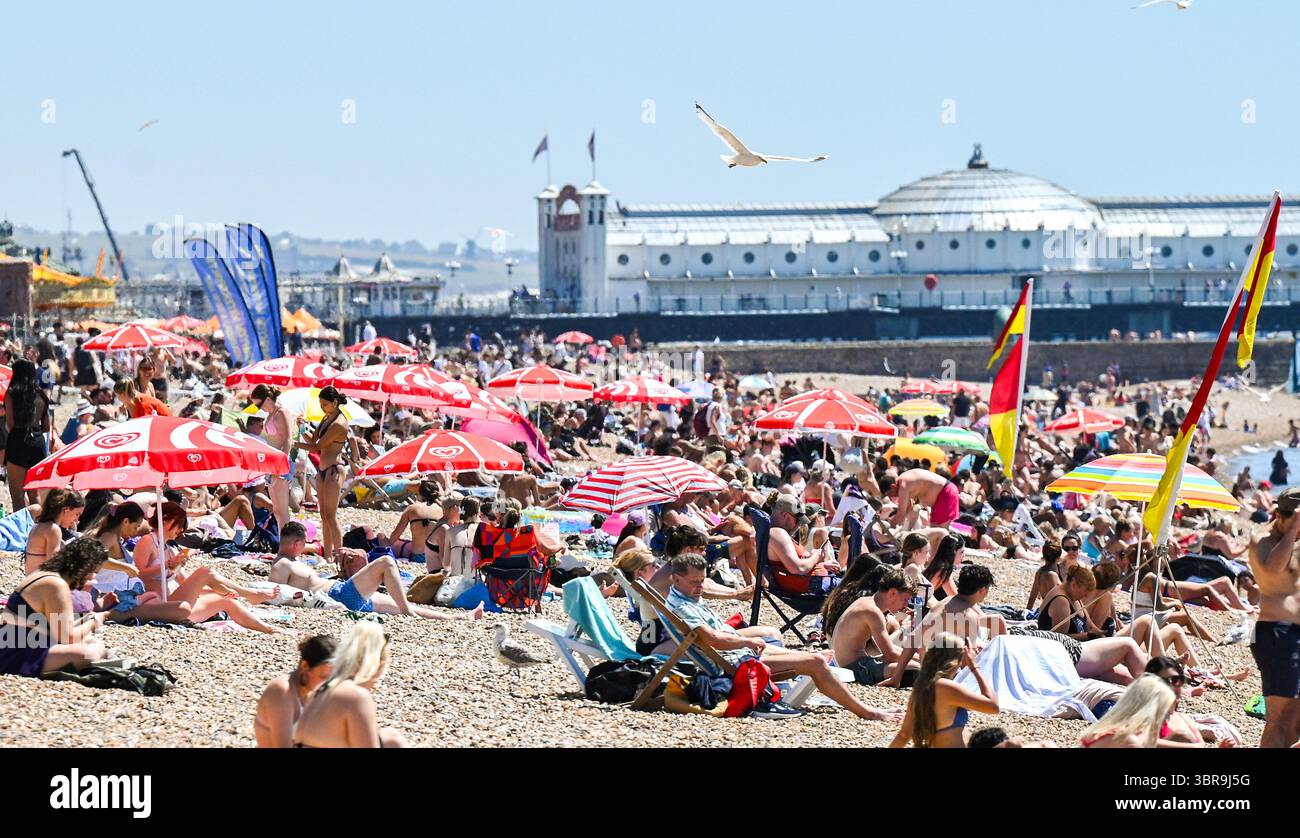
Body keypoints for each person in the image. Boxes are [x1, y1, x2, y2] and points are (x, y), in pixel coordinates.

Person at [665, 553, 902, 722]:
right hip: (735, 664)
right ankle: (868, 712)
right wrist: (747, 640)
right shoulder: (684, 608)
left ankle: (853, 700)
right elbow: (714, 640)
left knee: (813, 656)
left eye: (702, 580)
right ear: (676, 579)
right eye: (694, 582)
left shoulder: (686, 598)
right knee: (816, 662)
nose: (700, 587)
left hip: (737, 654)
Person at [269, 524, 484, 621]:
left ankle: (459, 617)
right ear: (297, 543)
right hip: (340, 595)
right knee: (386, 562)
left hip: (344, 596)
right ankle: (411, 614)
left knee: (403, 605)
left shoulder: (291, 560)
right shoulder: (281, 565)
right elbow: (274, 594)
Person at [0, 536, 108, 676]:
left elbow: (58, 627)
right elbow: (67, 637)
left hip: (16, 640)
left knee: (91, 641)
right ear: (83, 567)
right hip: (16, 650)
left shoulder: (46, 574)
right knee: (88, 655)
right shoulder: (56, 585)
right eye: (93, 572)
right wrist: (94, 622)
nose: (93, 577)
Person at [292, 621, 406, 748]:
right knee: (393, 740)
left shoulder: (321, 690)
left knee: (387, 736)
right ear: (380, 664)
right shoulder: (356, 696)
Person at [1247, 486, 1300, 748]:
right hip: (1277, 635)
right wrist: (1292, 531)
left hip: (1293, 636)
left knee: (1295, 719)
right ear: (1279, 515)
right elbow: (1272, 569)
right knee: (1278, 719)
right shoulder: (1263, 541)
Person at [1038, 565, 1148, 684]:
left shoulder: (1074, 596)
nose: (1085, 597)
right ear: (1074, 585)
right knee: (1128, 647)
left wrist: (1099, 632)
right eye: (1085, 593)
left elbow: (1090, 625)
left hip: (1081, 650)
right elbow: (1059, 639)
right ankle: (1153, 688)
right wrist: (1089, 636)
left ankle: (1155, 685)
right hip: (1065, 657)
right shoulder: (1061, 601)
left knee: (1136, 663)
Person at [890, 633, 999, 748]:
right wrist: (974, 667)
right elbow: (993, 706)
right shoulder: (947, 688)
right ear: (954, 661)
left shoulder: (922, 687)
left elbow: (903, 735)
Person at [825, 565, 921, 687]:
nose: (906, 604)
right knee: (915, 668)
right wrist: (923, 660)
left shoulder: (866, 601)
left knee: (914, 665)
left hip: (853, 663)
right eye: (905, 599)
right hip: (855, 669)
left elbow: (889, 649)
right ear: (893, 592)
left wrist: (919, 657)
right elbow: (890, 654)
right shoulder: (872, 612)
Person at [254, 634, 337, 748]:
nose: (328, 684)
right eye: (323, 677)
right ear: (305, 665)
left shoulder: (317, 692)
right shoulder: (282, 691)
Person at [298, 386, 349, 562]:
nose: (322, 407)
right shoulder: (327, 417)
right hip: (323, 468)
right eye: (320, 404)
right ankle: (328, 556)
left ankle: (340, 555)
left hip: (334, 469)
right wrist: (303, 428)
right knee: (323, 516)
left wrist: (293, 445)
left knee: (331, 516)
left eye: (325, 404)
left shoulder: (339, 423)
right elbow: (313, 440)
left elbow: (317, 447)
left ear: (335, 403)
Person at [4, 359, 52, 512]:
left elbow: (10, 424)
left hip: (19, 441)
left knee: (17, 495)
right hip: (38, 442)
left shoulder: (12, 394)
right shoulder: (41, 395)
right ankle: (36, 527)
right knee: (34, 493)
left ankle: (22, 531)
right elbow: (46, 427)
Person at [1079, 674, 1177, 748]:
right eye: (1167, 713)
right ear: (1151, 711)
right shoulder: (1128, 741)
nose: (1168, 720)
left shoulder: (1117, 730)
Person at [251, 384, 294, 529]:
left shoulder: (281, 412)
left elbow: (288, 440)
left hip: (280, 464)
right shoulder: (271, 414)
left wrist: (282, 465)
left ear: (268, 399)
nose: (259, 408)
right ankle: (283, 543)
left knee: (282, 509)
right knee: (276, 510)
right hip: (272, 464)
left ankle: (288, 545)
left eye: (259, 405)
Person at [24, 489, 84, 573]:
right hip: (42, 582)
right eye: (77, 514)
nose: (77, 520)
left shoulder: (41, 525)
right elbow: (53, 566)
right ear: (66, 509)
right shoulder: (53, 530)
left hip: (33, 580)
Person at [387, 481, 444, 568]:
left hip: (418, 557)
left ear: (420, 494)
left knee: (398, 543)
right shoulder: (442, 510)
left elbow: (396, 534)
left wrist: (386, 547)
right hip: (438, 557)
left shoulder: (411, 509)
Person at [891, 468, 960, 529]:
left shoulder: (903, 485)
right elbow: (908, 508)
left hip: (946, 492)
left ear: (893, 487)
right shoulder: (905, 480)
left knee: (939, 532)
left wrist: (888, 530)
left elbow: (901, 514)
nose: (892, 497)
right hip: (943, 492)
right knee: (935, 531)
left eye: (890, 494)